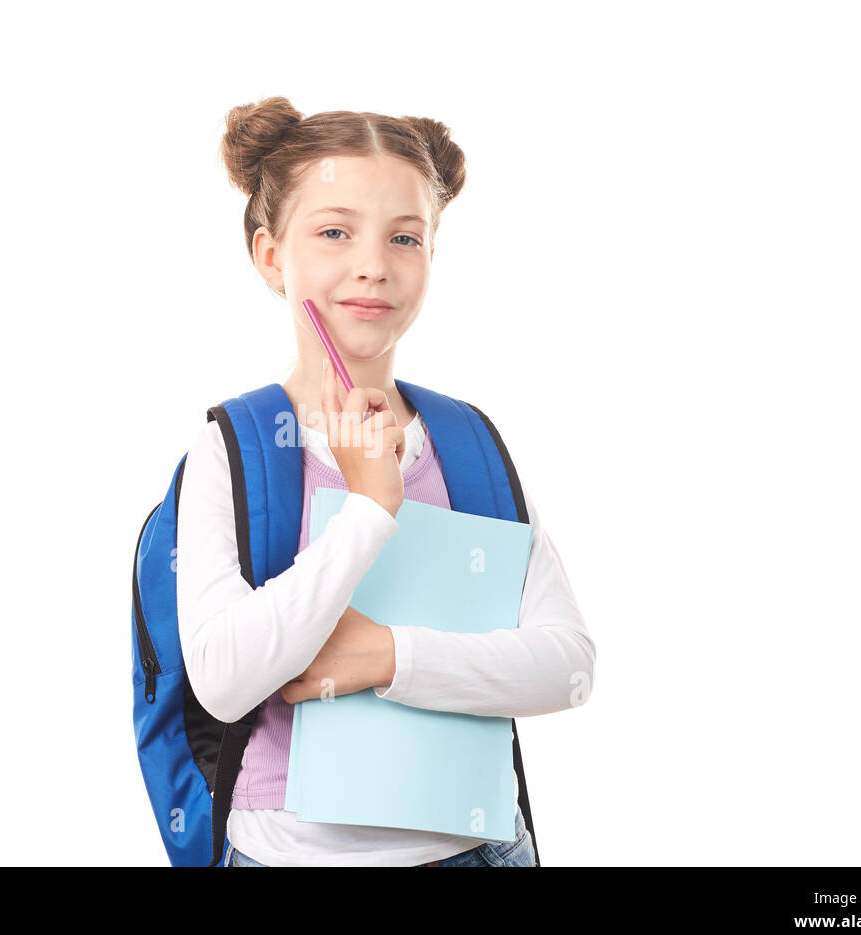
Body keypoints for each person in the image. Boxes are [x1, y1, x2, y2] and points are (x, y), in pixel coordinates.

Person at [176, 96, 595, 866]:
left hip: (483, 850)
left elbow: (568, 664)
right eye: (335, 231)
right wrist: (368, 509)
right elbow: (224, 681)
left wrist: (389, 658)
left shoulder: (467, 444)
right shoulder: (233, 450)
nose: (373, 263)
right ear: (270, 255)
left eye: (405, 237)